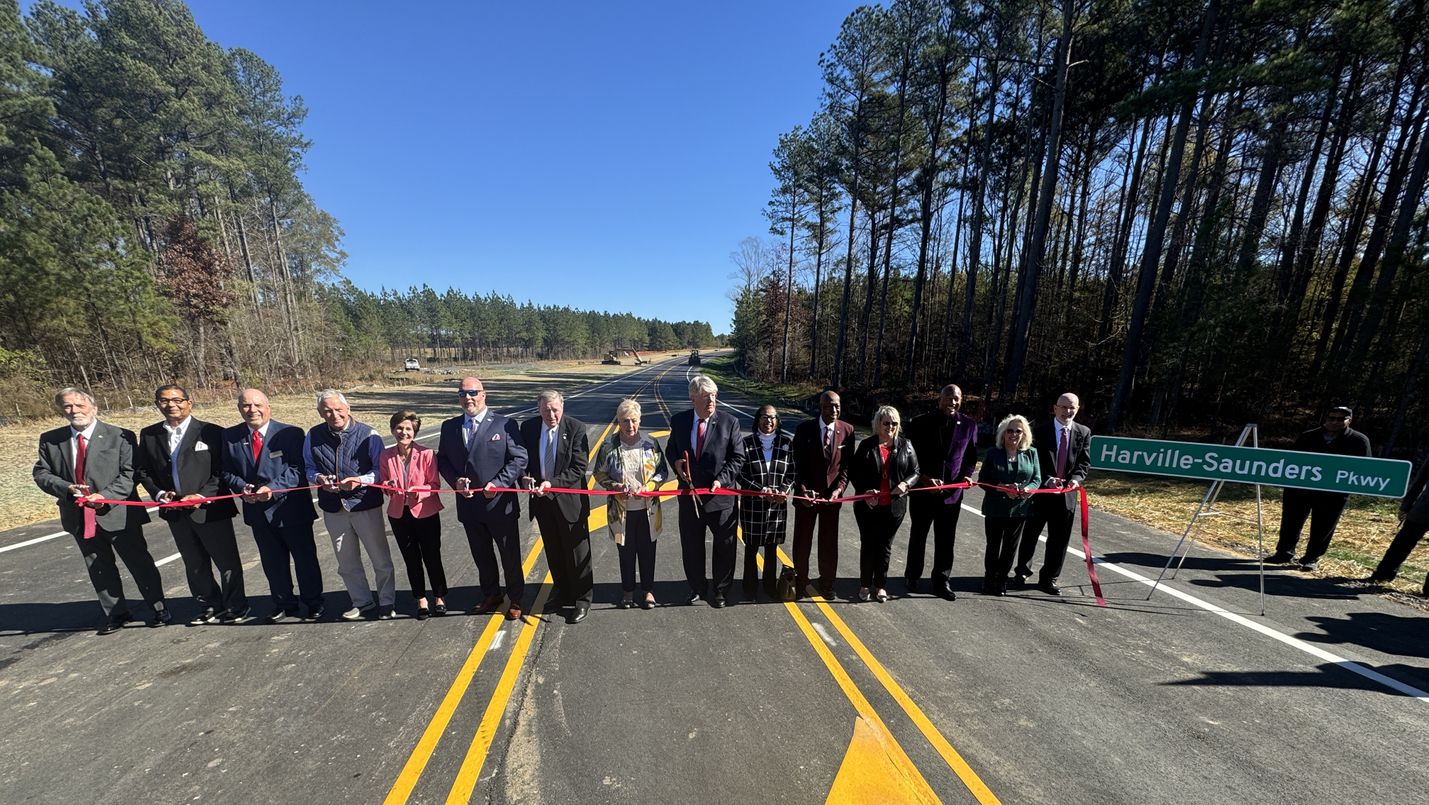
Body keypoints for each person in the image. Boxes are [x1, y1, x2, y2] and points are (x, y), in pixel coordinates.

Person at [33, 387, 171, 634]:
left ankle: (158, 608)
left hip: (118, 513)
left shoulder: (120, 436)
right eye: (67, 406)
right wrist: (67, 489)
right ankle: (116, 613)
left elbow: (130, 473)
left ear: (94, 408)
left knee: (140, 563)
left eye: (79, 405)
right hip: (78, 515)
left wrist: (105, 496)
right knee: (98, 566)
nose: (74, 410)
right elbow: (42, 473)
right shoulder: (50, 439)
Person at [136, 384, 249, 624]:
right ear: (157, 404)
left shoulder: (212, 432)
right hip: (175, 511)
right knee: (194, 563)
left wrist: (202, 495)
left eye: (177, 400)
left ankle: (236, 605)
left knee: (226, 561)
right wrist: (158, 493)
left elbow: (222, 470)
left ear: (189, 403)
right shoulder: (149, 434)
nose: (171, 405)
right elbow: (143, 470)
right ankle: (210, 604)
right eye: (164, 400)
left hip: (210, 509)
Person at [221, 388, 325, 622]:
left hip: (291, 510)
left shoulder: (291, 433)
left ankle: (313, 602)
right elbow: (227, 471)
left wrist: (273, 488)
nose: (252, 410)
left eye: (257, 405)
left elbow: (298, 468)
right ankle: (284, 603)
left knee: (305, 560)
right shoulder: (230, 436)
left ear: (268, 407)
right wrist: (242, 488)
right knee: (272, 562)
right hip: (257, 511)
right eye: (246, 406)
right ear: (239, 409)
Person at [437, 377, 529, 620]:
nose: (468, 398)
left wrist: (499, 483)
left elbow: (519, 458)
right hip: (469, 505)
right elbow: (443, 460)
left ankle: (516, 598)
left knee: (509, 556)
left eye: (473, 393)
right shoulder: (449, 427)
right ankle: (491, 594)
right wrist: (455, 481)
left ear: (483, 394)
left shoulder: (504, 424)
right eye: (462, 394)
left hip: (499, 505)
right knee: (482, 556)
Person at [303, 390, 396, 620]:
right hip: (333, 508)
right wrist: (318, 479)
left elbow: (381, 470)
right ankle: (361, 601)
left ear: (348, 408)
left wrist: (360, 481)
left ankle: (387, 601)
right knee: (346, 561)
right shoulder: (313, 435)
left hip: (365, 504)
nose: (334, 415)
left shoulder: (369, 434)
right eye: (327, 411)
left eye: (338, 409)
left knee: (380, 558)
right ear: (320, 413)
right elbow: (308, 467)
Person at [666, 375, 743, 608]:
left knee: (725, 547)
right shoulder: (679, 421)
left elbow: (738, 458)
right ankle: (697, 587)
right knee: (692, 546)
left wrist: (722, 480)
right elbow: (672, 450)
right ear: (693, 399)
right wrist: (677, 464)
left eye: (713, 396)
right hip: (690, 498)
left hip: (721, 498)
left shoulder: (730, 422)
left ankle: (720, 590)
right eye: (705, 397)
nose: (711, 401)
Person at [1268, 406, 1372, 571]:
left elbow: (1364, 468)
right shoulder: (1308, 436)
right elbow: (1291, 460)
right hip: (1299, 490)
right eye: (1331, 418)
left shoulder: (1359, 441)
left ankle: (1311, 558)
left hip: (1333, 494)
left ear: (1349, 421)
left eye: (1340, 419)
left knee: (1323, 527)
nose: (1334, 422)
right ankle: (1284, 553)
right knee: (1290, 522)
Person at [519, 390, 592, 624]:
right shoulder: (529, 428)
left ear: (563, 407)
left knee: (577, 553)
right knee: (554, 552)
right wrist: (524, 478)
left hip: (569, 502)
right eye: (546, 410)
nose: (551, 415)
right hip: (542, 502)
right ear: (538, 409)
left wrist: (552, 483)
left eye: (555, 410)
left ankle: (582, 600)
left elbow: (579, 468)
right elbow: (523, 460)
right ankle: (562, 593)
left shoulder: (576, 428)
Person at [904, 384, 979, 600]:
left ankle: (941, 580)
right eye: (948, 397)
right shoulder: (920, 422)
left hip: (951, 495)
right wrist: (924, 478)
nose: (952, 402)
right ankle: (912, 576)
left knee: (946, 539)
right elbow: (910, 458)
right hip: (924, 491)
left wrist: (966, 476)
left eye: (957, 398)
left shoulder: (969, 425)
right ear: (940, 399)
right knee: (918, 535)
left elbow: (971, 458)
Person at [593, 398, 668, 610]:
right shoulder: (608, 446)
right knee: (625, 553)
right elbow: (599, 473)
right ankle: (627, 591)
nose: (630, 425)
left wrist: (650, 486)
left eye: (634, 420)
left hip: (648, 510)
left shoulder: (651, 443)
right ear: (618, 421)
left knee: (647, 552)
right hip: (620, 511)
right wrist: (615, 486)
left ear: (640, 420)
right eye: (625, 421)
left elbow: (662, 471)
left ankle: (648, 590)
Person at [1014, 392, 1092, 596]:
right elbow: (1031, 461)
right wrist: (1047, 479)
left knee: (1059, 539)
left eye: (1072, 407)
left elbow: (1084, 463)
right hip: (1041, 493)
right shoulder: (1039, 431)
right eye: (1064, 407)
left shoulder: (1083, 432)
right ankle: (1022, 572)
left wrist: (1076, 479)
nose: (1068, 411)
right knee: (1030, 535)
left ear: (1077, 409)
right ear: (1055, 408)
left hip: (1066, 496)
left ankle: (1049, 578)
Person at [379, 410, 448, 620]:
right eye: (399, 428)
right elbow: (383, 484)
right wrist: (388, 486)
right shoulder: (386, 455)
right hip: (399, 514)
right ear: (393, 430)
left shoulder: (426, 454)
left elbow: (434, 485)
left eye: (408, 428)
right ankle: (421, 599)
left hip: (425, 512)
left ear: (415, 431)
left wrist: (420, 491)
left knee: (432, 556)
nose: (404, 432)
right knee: (411, 559)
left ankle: (439, 596)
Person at [848, 405, 920, 603]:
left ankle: (880, 585)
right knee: (868, 544)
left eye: (894, 423)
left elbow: (915, 471)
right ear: (878, 423)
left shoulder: (906, 445)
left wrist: (906, 483)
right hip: (868, 506)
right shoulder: (867, 445)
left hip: (894, 507)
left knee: (885, 546)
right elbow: (854, 472)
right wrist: (865, 491)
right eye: (886, 423)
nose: (890, 427)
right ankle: (865, 584)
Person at [790, 390, 856, 599]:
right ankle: (801, 581)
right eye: (829, 406)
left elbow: (846, 467)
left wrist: (839, 489)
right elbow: (796, 464)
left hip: (831, 499)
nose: (834, 410)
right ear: (820, 407)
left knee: (828, 543)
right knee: (802, 543)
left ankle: (827, 583)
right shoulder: (804, 429)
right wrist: (803, 490)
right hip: (806, 498)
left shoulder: (848, 430)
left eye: (837, 406)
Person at [731, 404, 797, 600]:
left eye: (773, 417)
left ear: (777, 421)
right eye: (765, 417)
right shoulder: (746, 443)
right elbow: (740, 474)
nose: (769, 421)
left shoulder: (786, 443)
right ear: (757, 419)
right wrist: (760, 490)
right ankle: (749, 587)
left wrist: (784, 490)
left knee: (771, 548)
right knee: (751, 548)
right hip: (753, 505)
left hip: (777, 506)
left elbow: (792, 472)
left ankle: (769, 586)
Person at [978, 415, 1041, 596]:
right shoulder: (993, 453)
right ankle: (989, 579)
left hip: (1019, 509)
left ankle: (1001, 581)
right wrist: (1001, 487)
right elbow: (983, 480)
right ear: (1003, 433)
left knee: (1010, 548)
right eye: (1010, 431)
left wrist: (1028, 489)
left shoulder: (1031, 453)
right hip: (995, 508)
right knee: (993, 546)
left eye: (1018, 431)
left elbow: (1037, 479)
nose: (1014, 434)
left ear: (1024, 434)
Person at [1367, 457, 1429, 594]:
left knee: (1402, 543)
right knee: (1402, 543)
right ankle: (1382, 575)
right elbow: (1420, 480)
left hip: (1423, 508)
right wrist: (1406, 506)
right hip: (1424, 509)